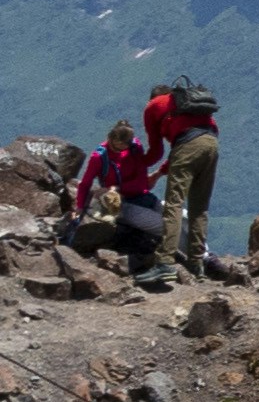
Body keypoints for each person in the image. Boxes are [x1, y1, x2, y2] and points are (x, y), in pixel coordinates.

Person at [64, 116, 165, 278]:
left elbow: (141, 183)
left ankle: (203, 257)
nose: (123, 148)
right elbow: (85, 184)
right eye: (120, 145)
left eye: (127, 144)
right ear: (110, 139)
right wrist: (80, 207)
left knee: (181, 216)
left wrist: (114, 188)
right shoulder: (99, 157)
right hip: (121, 205)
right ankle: (175, 259)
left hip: (142, 197)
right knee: (167, 226)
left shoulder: (134, 148)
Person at [142, 78, 218, 287]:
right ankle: (196, 263)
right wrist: (160, 173)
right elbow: (195, 141)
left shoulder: (153, 106)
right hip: (211, 144)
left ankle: (165, 262)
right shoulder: (189, 104)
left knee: (174, 204)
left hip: (186, 145)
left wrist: (136, 163)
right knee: (199, 208)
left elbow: (157, 151)